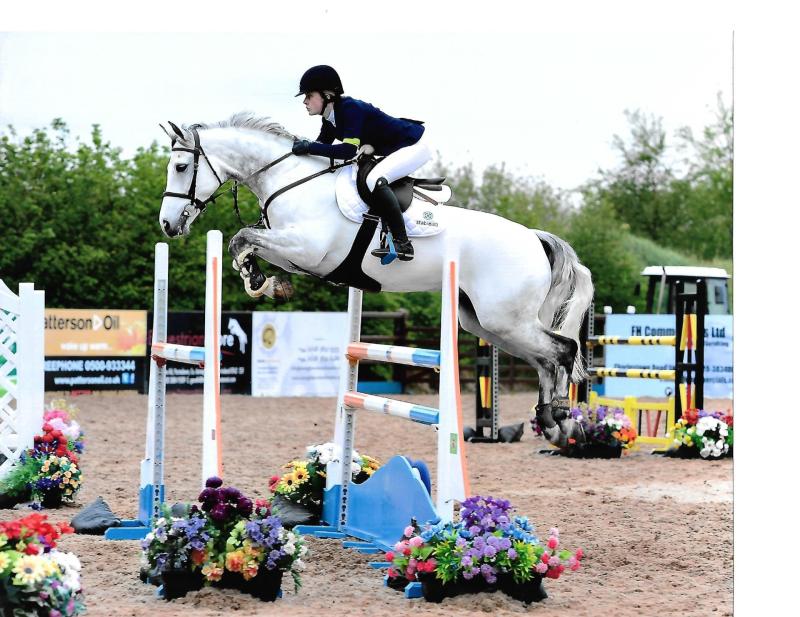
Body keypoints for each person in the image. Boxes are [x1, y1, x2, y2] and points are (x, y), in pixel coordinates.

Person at [291, 65, 432, 261]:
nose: (305, 101)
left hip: (414, 145)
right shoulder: (330, 119)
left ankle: (403, 243)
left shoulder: (350, 108)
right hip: (393, 147)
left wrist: (309, 147)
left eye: (308, 95)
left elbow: (346, 151)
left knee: (375, 180)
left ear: (327, 94)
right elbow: (321, 147)